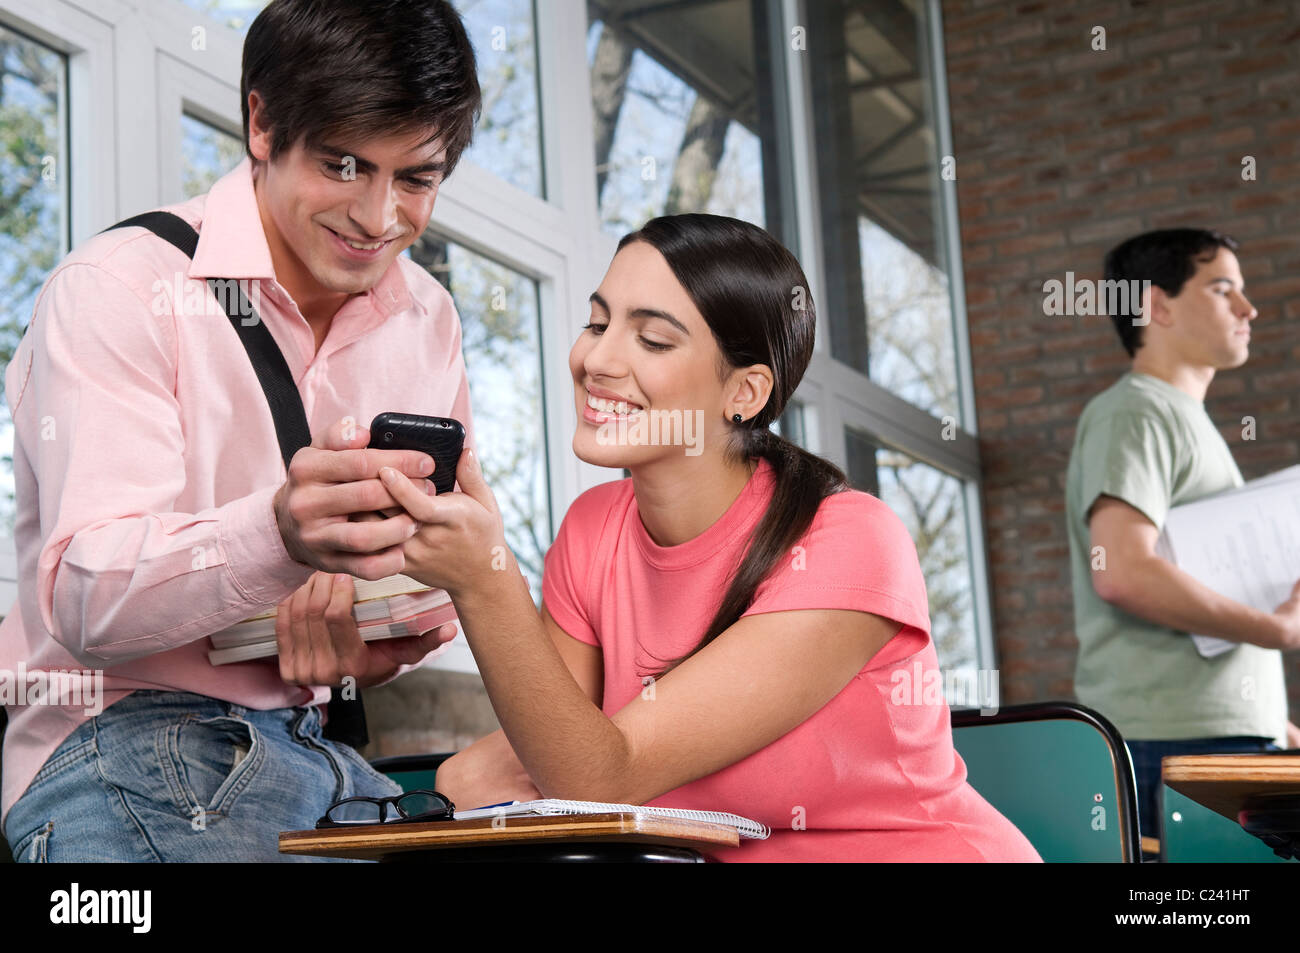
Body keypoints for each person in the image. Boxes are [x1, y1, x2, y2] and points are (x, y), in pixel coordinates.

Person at [377, 213, 1042, 861]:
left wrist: (484, 580)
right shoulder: (592, 530)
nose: (596, 359)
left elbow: (597, 778)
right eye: (598, 322)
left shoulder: (848, 539)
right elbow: (538, 762)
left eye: (653, 341)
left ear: (745, 392)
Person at [2, 0, 481, 862]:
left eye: (416, 179)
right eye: (343, 164)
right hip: (125, 743)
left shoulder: (429, 320)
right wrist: (281, 535)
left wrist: (367, 649)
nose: (380, 220)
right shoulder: (118, 285)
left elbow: (436, 580)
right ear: (262, 121)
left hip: (326, 758)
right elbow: (84, 593)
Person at [1065, 227, 1300, 845]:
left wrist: (1268, 716)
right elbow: (1119, 570)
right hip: (1173, 739)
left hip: (1220, 732)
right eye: (1224, 289)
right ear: (1155, 305)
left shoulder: (1180, 419)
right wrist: (1276, 630)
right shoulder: (1135, 411)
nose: (1248, 309)